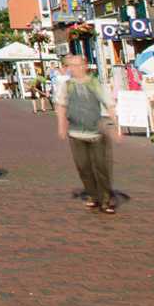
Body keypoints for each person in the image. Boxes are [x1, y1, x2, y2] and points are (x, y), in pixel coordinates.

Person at [55, 53, 115, 214]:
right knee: (83, 167)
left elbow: (109, 103)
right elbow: (61, 104)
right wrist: (61, 125)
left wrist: (117, 126)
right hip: (76, 132)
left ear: (85, 66)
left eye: (77, 65)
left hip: (96, 131)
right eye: (71, 66)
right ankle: (93, 194)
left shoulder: (95, 83)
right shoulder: (67, 85)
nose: (74, 69)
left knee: (101, 167)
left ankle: (106, 199)